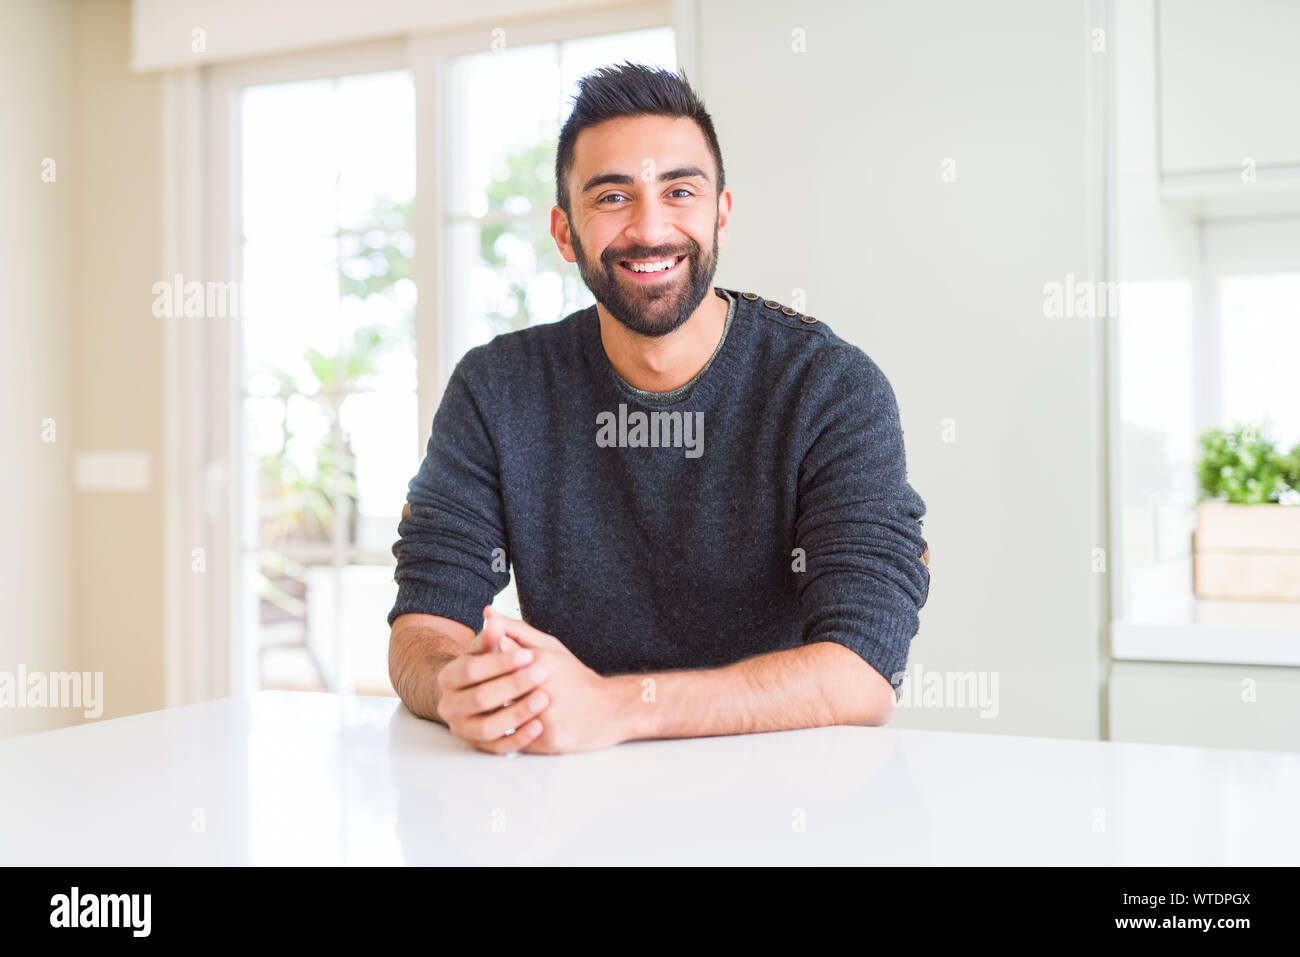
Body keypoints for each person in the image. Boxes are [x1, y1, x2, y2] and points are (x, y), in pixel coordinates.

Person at [388, 61, 930, 755]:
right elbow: (423, 622)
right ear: (564, 231)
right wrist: (455, 684)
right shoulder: (496, 388)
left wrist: (615, 708)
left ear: (720, 216)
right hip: (575, 791)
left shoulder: (831, 389)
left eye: (679, 190)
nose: (650, 228)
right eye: (612, 197)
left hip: (788, 798)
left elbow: (864, 669)